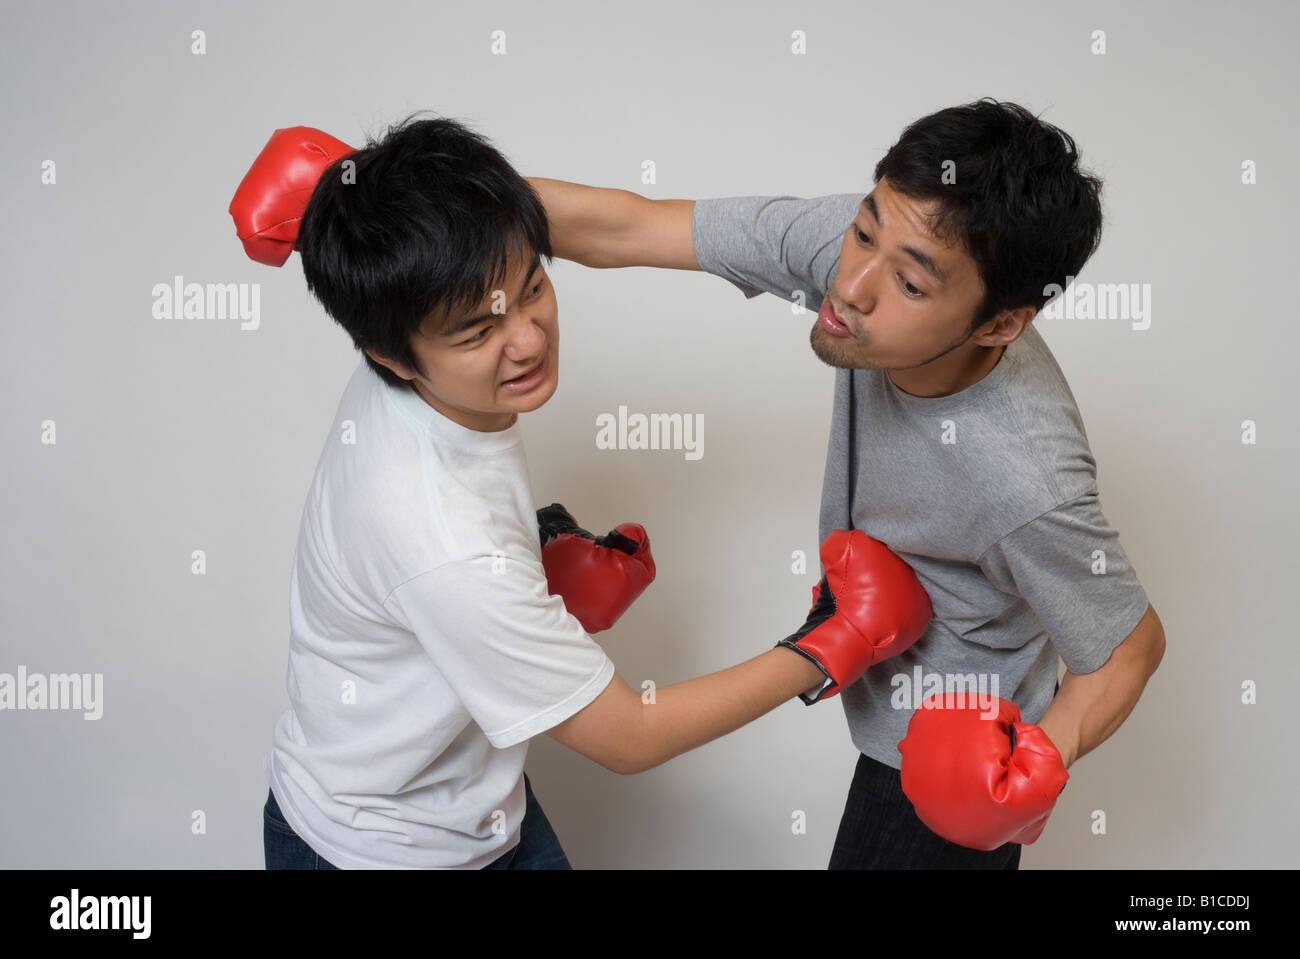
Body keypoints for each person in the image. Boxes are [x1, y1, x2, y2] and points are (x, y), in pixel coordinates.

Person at [229, 112, 933, 869]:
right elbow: (629, 737)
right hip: (384, 851)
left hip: (475, 806)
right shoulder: (443, 539)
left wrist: (347, 197)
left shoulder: (411, 318)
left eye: (533, 285)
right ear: (392, 356)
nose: (528, 336)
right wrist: (835, 640)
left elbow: (605, 226)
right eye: (477, 331)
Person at [528, 97, 1167, 869]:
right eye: (864, 231)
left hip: (943, 745)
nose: (851, 286)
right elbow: (628, 226)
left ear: (1000, 324)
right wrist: (394, 198)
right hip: (877, 659)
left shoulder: (1024, 478)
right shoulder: (875, 248)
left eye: (910, 285)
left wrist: (1027, 763)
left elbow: (1128, 646)